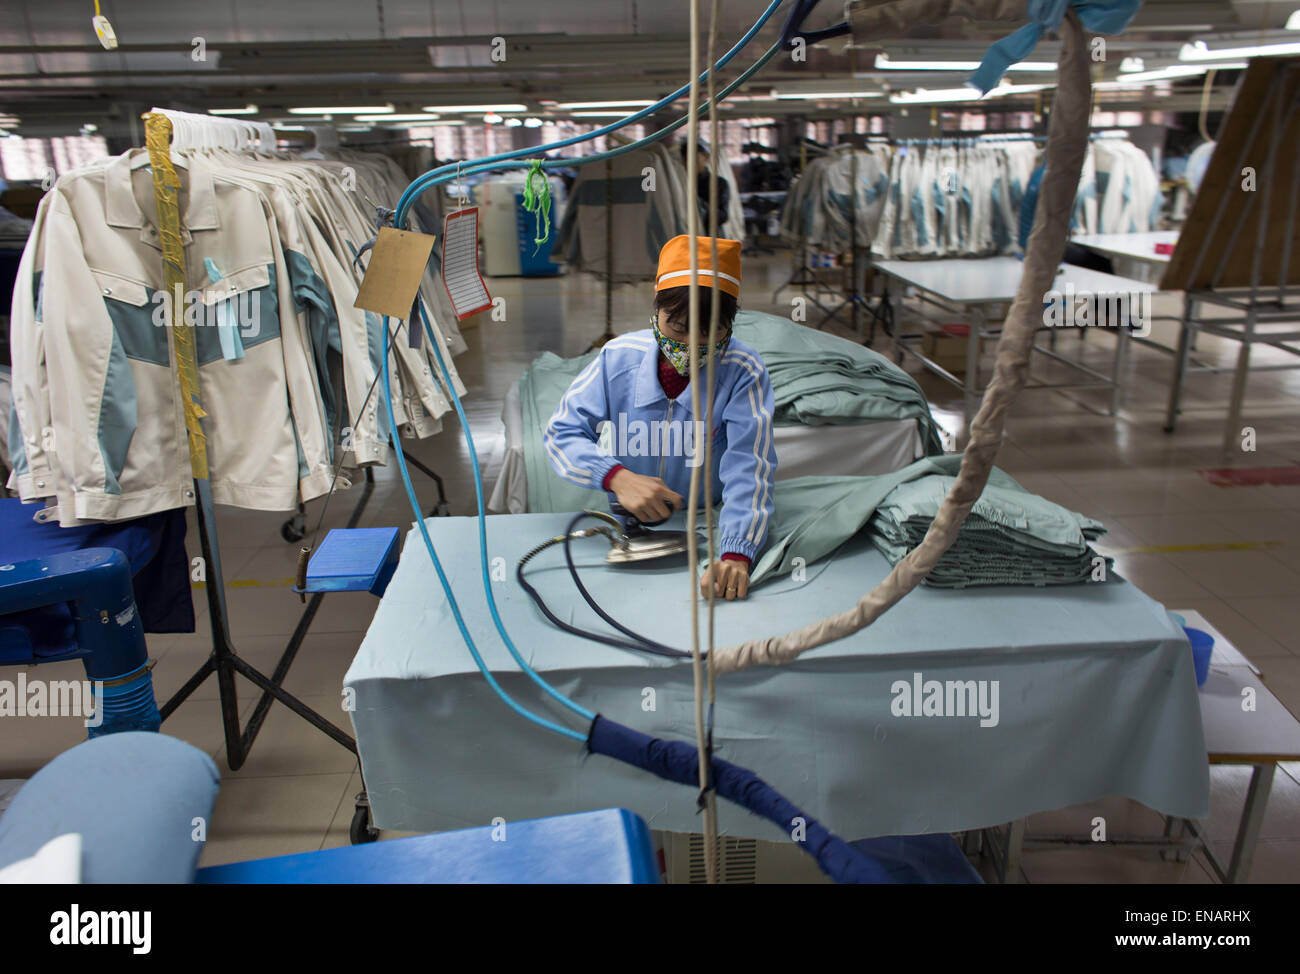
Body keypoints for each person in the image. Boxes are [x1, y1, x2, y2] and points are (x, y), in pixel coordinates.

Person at [544, 234, 776, 601]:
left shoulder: (741, 371)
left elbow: (750, 467)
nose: (690, 346)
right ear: (656, 311)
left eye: (709, 331)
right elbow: (562, 433)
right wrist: (616, 477)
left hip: (709, 522)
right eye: (677, 328)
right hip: (629, 523)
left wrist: (736, 551)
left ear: (729, 326)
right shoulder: (616, 359)